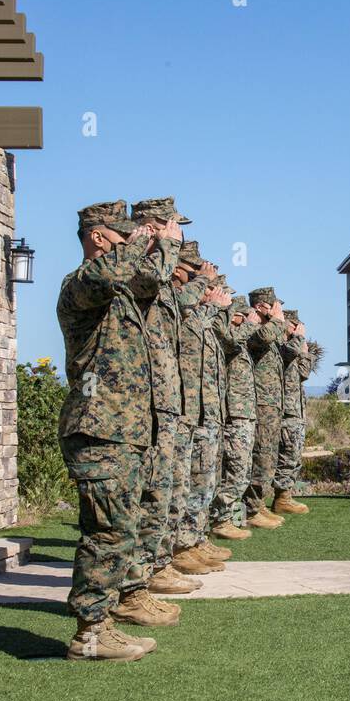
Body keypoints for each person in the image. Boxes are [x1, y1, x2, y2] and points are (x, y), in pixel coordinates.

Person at [57, 200, 182, 661]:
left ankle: (108, 615)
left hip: (125, 430)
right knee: (107, 533)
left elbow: (150, 279)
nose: (133, 240)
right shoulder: (82, 285)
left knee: (121, 529)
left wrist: (161, 247)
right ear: (97, 237)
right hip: (98, 428)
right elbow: (114, 274)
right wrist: (146, 243)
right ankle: (90, 632)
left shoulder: (123, 292)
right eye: (121, 233)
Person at [128, 197, 205, 596]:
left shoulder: (164, 287)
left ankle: (162, 560)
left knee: (173, 487)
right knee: (156, 492)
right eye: (172, 227)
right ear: (152, 226)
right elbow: (150, 281)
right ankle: (147, 571)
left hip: (173, 405)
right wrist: (162, 250)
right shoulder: (139, 274)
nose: (178, 237)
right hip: (146, 407)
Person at [168, 241, 233, 576]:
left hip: (202, 410)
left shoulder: (195, 310)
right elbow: (187, 330)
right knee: (181, 484)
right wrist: (207, 301)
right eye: (198, 276)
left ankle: (193, 539)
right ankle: (179, 547)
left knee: (203, 479)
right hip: (181, 410)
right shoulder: (175, 304)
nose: (209, 288)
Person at [209, 295, 262, 540]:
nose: (247, 319)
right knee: (235, 471)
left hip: (244, 413)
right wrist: (247, 324)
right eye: (241, 315)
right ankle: (220, 521)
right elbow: (228, 341)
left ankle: (230, 518)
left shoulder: (240, 339)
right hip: (234, 413)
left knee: (242, 471)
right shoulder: (227, 336)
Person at [243, 287, 290, 527]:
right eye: (274, 305)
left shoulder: (270, 332)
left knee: (269, 456)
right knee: (260, 456)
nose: (278, 310)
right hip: (261, 404)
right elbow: (261, 338)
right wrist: (278, 320)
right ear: (262, 307)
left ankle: (259, 504)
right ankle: (251, 510)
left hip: (271, 405)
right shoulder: (254, 329)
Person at [273, 309, 316, 515]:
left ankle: (285, 496)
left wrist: (306, 352)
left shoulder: (294, 346)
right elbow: (287, 355)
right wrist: (298, 339)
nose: (297, 328)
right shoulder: (280, 345)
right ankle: (280, 497)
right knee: (287, 456)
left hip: (296, 410)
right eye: (294, 325)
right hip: (285, 411)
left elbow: (303, 374)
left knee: (294, 456)